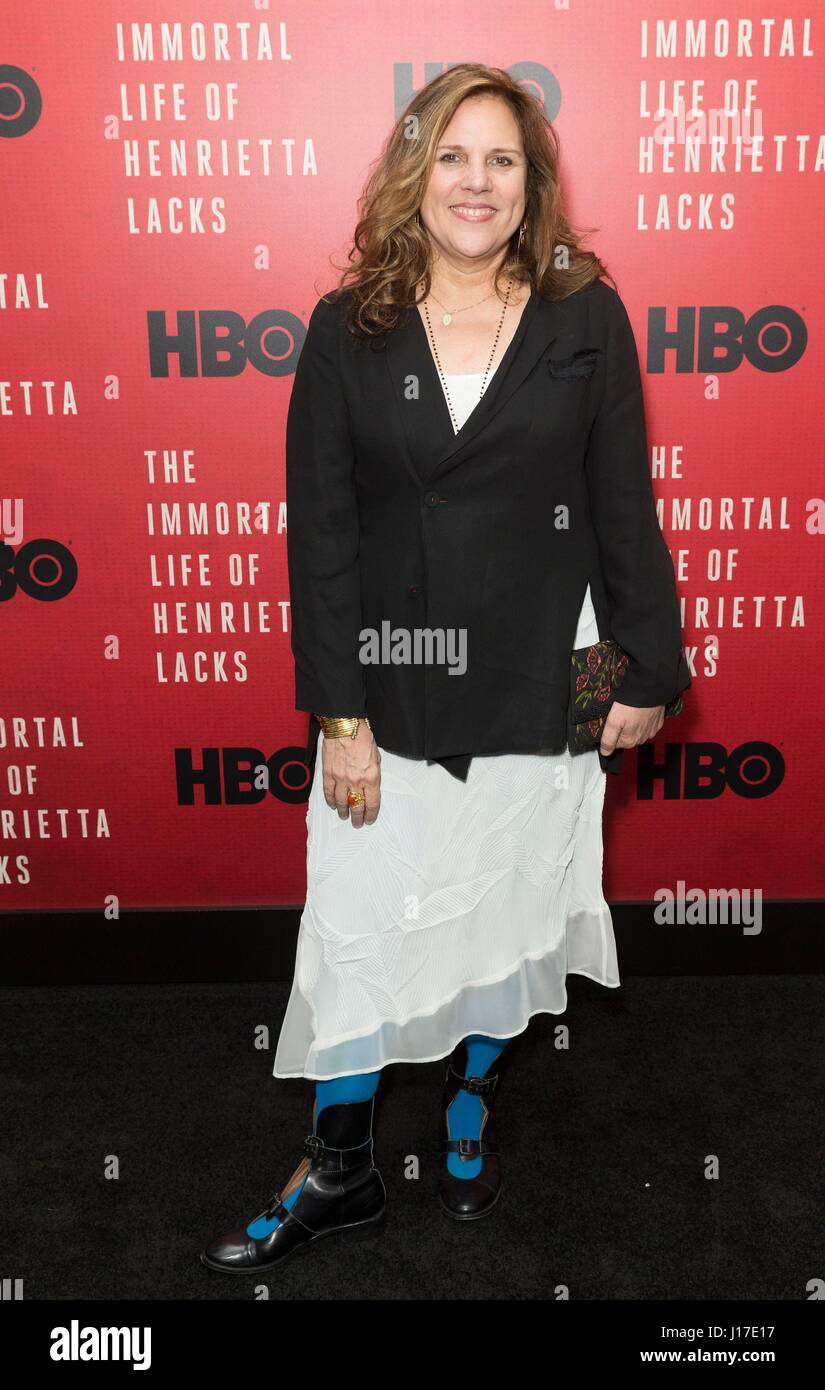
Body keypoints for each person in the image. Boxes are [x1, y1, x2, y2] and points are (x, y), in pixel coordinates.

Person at [200, 62, 690, 1274]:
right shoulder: (347, 329)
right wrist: (342, 713)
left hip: (558, 665)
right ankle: (342, 1166)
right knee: (362, 922)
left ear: (534, 183)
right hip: (394, 680)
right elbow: (322, 535)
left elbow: (623, 504)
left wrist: (647, 668)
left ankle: (472, 1099)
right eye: (455, 157)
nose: (478, 182)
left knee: (518, 895)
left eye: (504, 160)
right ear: (416, 174)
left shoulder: (587, 316)